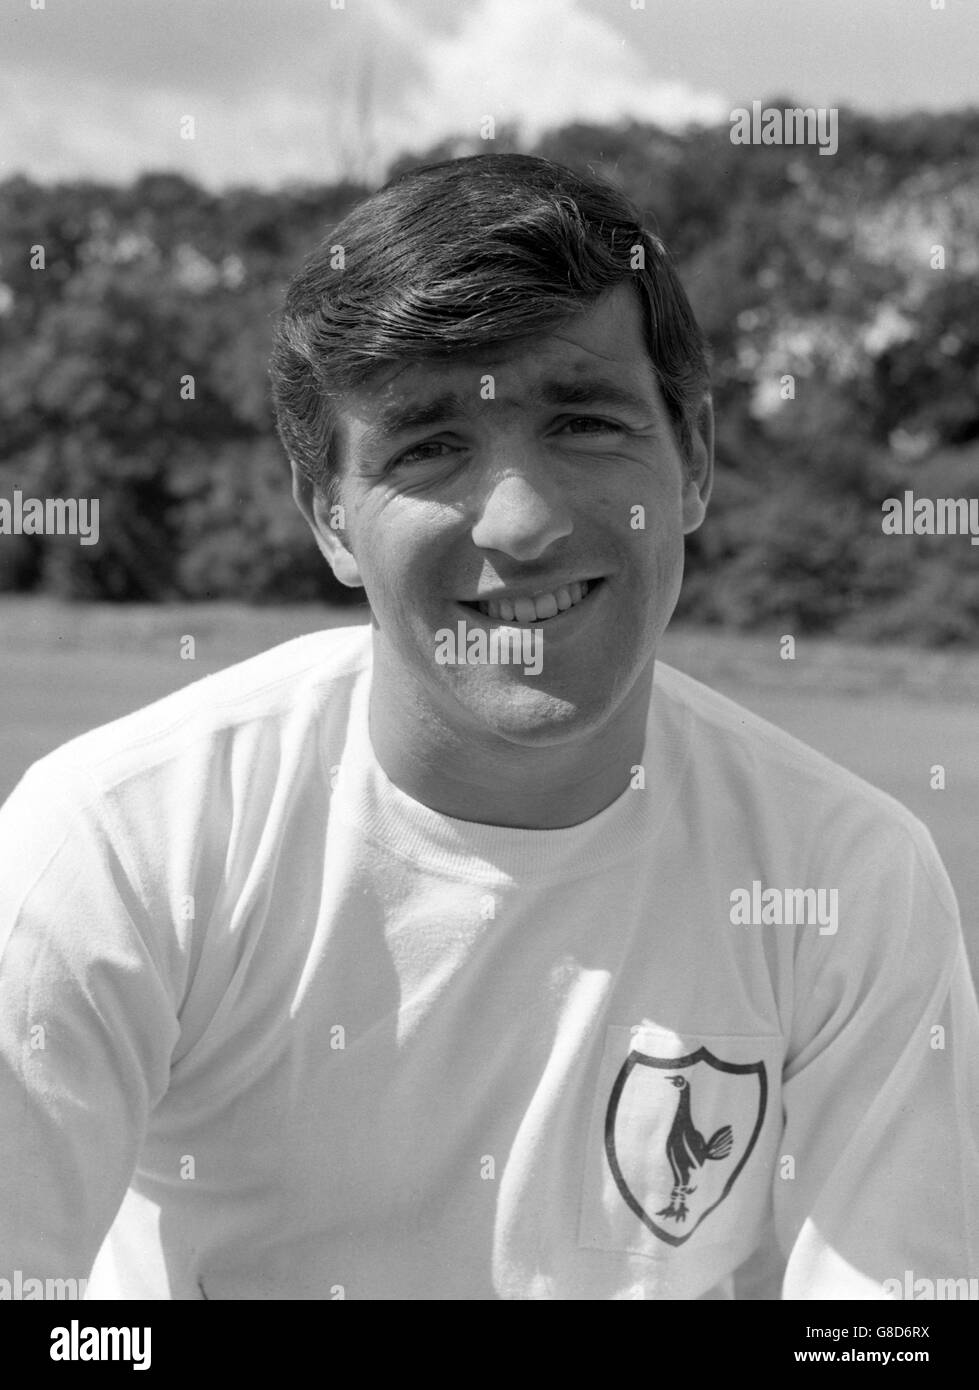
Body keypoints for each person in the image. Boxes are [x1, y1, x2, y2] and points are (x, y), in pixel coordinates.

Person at [1, 153, 976, 1301]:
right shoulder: (116, 844)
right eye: (428, 446)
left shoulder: (846, 879)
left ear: (694, 458)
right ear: (330, 518)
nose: (519, 521)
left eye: (581, 421)